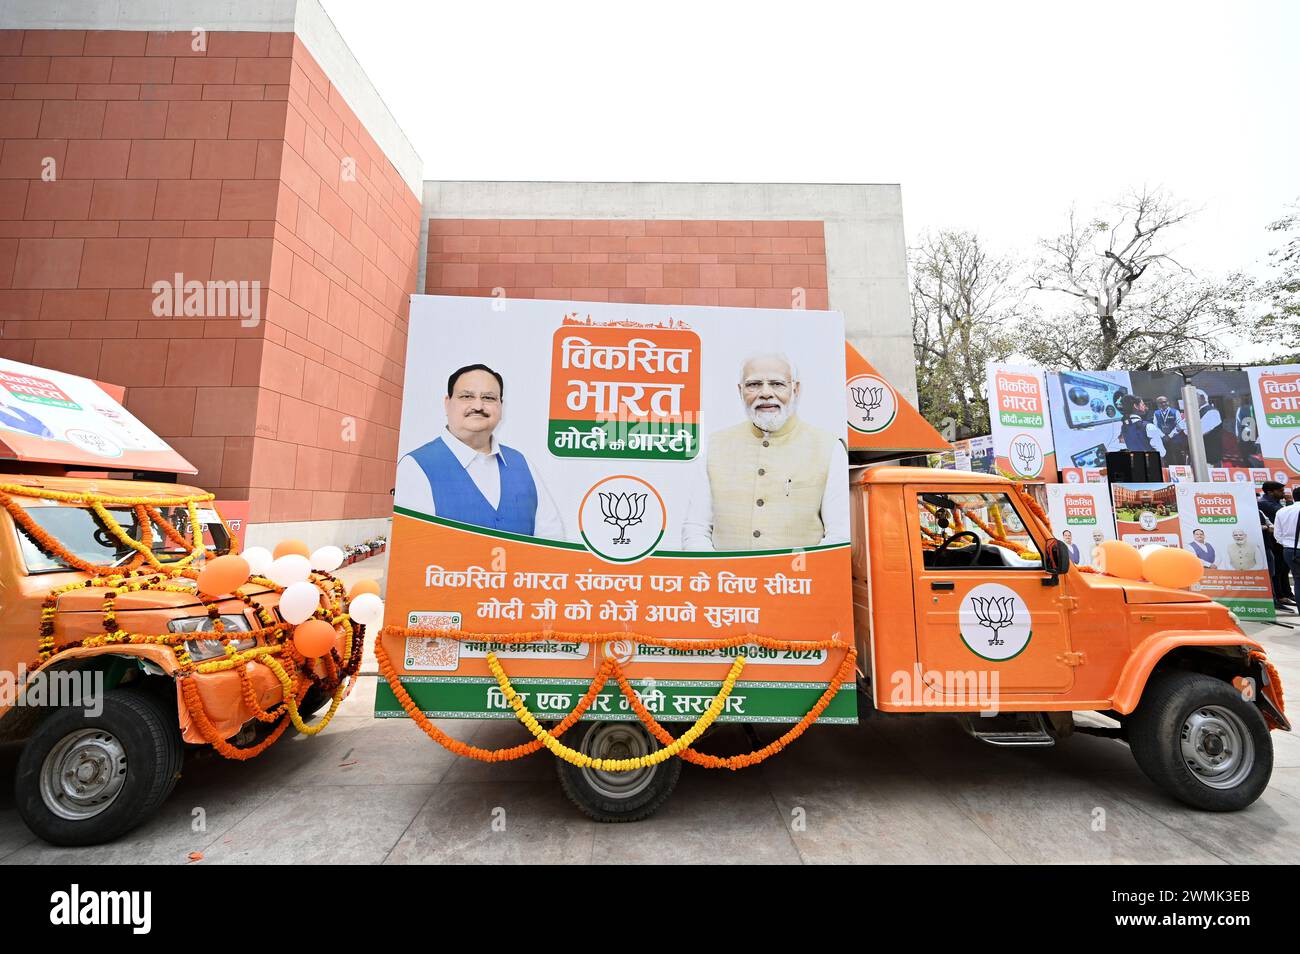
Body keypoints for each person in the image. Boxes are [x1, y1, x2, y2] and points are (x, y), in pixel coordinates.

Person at [683, 352, 848, 550]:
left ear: (795, 389)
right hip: (728, 578)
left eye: (777, 384)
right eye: (754, 384)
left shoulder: (829, 448)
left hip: (798, 578)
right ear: (740, 391)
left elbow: (840, 535)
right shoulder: (714, 445)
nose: (766, 393)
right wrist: (714, 572)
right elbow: (696, 529)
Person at [395, 363, 564, 538]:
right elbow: (410, 550)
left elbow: (551, 540)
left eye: (489, 398)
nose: (478, 406)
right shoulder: (416, 466)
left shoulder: (522, 465)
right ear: (447, 403)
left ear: (501, 406)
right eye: (466, 396)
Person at [1258, 481, 1295, 605]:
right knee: (1278, 569)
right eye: (1280, 491)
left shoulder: (1274, 502)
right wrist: (1290, 501)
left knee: (1285, 568)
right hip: (1273, 542)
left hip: (1282, 541)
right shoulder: (1264, 503)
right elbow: (1286, 514)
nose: (1283, 493)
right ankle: (1279, 596)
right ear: (1270, 492)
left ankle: (1287, 593)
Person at [1118, 394, 1166, 458]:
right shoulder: (1148, 426)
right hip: (1153, 464)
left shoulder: (1123, 427)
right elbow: (1161, 453)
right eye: (1143, 404)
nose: (1145, 407)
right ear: (1135, 406)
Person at [1276, 495, 1300, 612]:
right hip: (1291, 549)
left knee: (1298, 581)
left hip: (1290, 550)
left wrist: (1287, 544)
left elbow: (1277, 535)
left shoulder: (1282, 511)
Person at [1152, 396, 1186, 465]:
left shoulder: (1175, 412)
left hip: (1175, 439)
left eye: (1165, 402)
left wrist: (1170, 436)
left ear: (1168, 402)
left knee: (1178, 457)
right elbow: (1155, 426)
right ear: (1158, 404)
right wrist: (1163, 436)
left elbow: (1180, 425)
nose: (1163, 404)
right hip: (1163, 439)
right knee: (1167, 458)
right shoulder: (1156, 413)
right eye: (1161, 403)